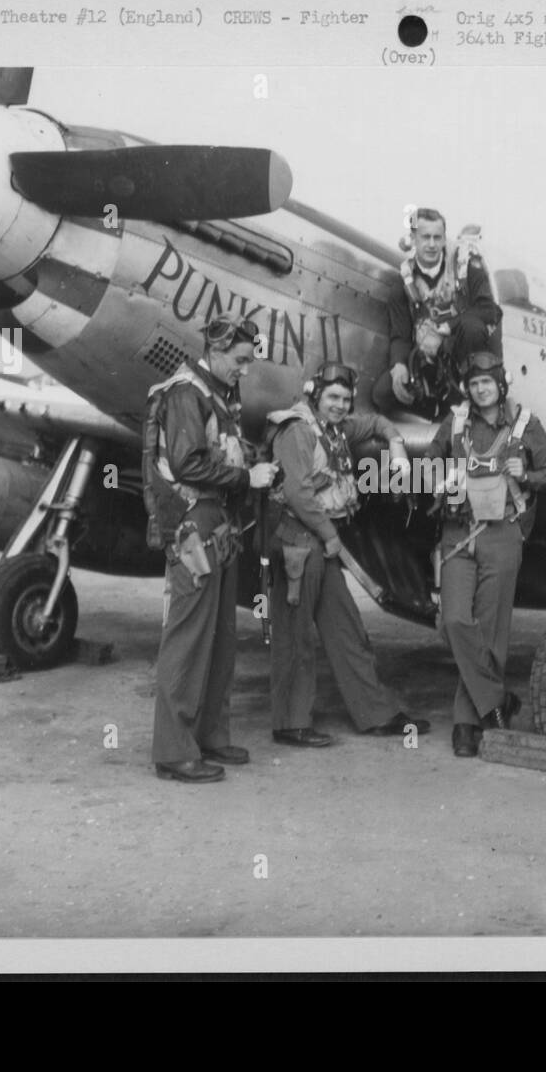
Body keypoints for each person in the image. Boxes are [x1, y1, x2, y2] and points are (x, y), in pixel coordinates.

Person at [264, 363, 431, 747]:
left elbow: (374, 423)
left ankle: (376, 713)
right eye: (332, 398)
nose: (339, 405)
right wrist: (330, 537)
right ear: (314, 396)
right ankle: (290, 723)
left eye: (344, 399)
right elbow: (297, 492)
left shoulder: (335, 430)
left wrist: (396, 443)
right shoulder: (297, 431)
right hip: (301, 545)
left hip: (323, 545)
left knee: (347, 630)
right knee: (294, 636)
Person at [143, 314, 279, 783]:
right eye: (241, 360)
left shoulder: (217, 396)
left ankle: (210, 735)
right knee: (188, 635)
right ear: (216, 351)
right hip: (193, 522)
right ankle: (173, 750)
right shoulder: (186, 394)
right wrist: (246, 477)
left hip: (218, 522)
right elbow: (186, 464)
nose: (246, 369)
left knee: (221, 635)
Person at [424, 352, 546, 757]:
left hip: (502, 532)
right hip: (457, 533)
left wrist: (526, 474)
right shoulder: (455, 422)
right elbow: (431, 459)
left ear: (500, 385)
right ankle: (497, 699)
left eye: (487, 382)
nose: (480, 389)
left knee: (490, 631)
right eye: (474, 383)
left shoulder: (524, 424)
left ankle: (467, 723)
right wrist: (439, 476)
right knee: (453, 620)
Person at [373, 208, 503, 418]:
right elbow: (400, 334)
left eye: (437, 237)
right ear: (414, 239)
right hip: (429, 359)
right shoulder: (404, 283)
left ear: (444, 239)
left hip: (466, 354)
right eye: (425, 237)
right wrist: (398, 364)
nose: (432, 244)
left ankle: (467, 402)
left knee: (472, 327)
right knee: (383, 393)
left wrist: (448, 328)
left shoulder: (467, 266)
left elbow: (489, 310)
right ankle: (432, 415)